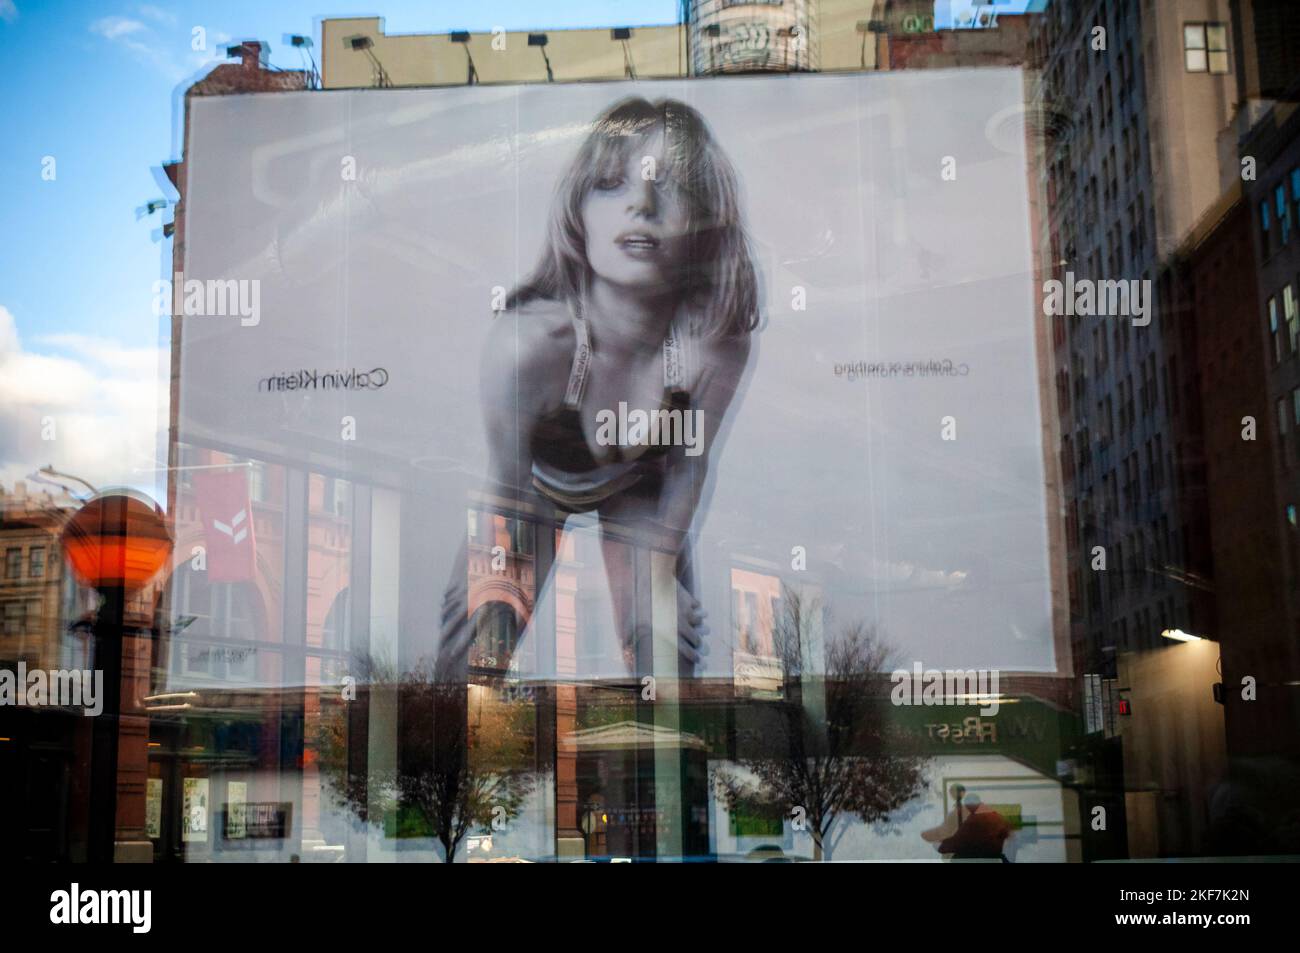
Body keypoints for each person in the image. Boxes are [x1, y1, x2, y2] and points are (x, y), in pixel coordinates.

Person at [434, 95, 762, 685]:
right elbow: (505, 496)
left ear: (708, 216)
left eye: (674, 187)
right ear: (577, 210)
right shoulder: (527, 345)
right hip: (530, 494)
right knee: (475, 641)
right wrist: (493, 603)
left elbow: (689, 467)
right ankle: (441, 768)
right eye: (611, 184)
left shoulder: (714, 345)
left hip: (638, 492)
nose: (643, 204)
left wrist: (658, 585)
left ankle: (664, 763)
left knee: (668, 645)